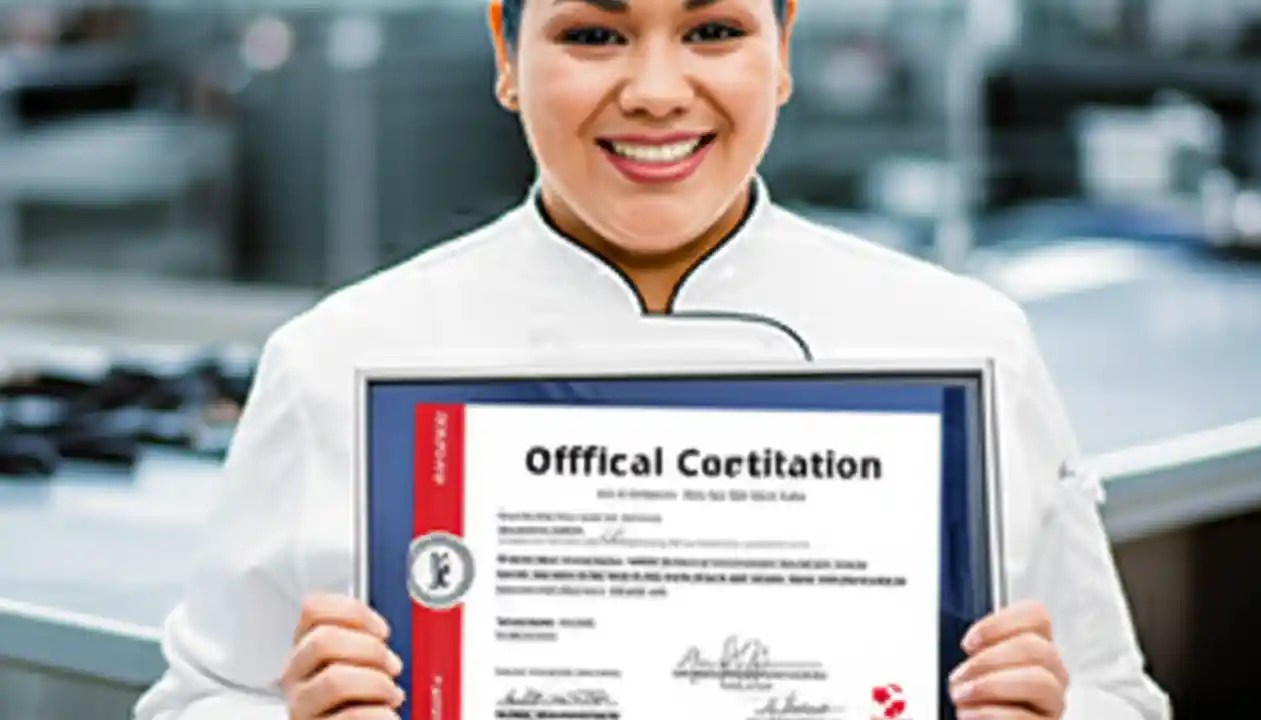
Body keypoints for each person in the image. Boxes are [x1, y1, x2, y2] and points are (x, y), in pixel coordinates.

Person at [134, 0, 1171, 718]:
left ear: (782, 45)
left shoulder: (961, 342)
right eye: (592, 33)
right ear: (505, 50)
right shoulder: (337, 360)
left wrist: (1047, 710)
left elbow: (1115, 694)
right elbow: (197, 699)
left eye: (713, 30)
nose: (654, 90)